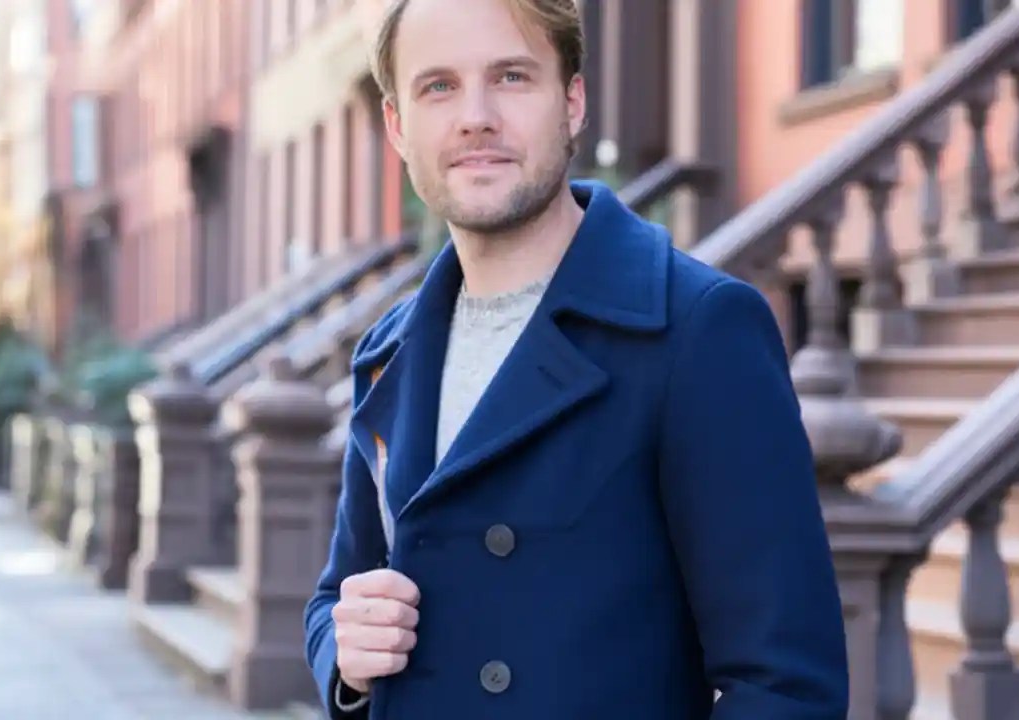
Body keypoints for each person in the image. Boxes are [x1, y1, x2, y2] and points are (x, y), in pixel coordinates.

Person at [302, 0, 849, 717]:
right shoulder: (389, 351)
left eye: (511, 76)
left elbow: (786, 687)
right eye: (438, 86)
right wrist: (345, 657)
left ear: (572, 101)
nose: (475, 117)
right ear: (398, 126)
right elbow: (334, 597)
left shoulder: (697, 328)